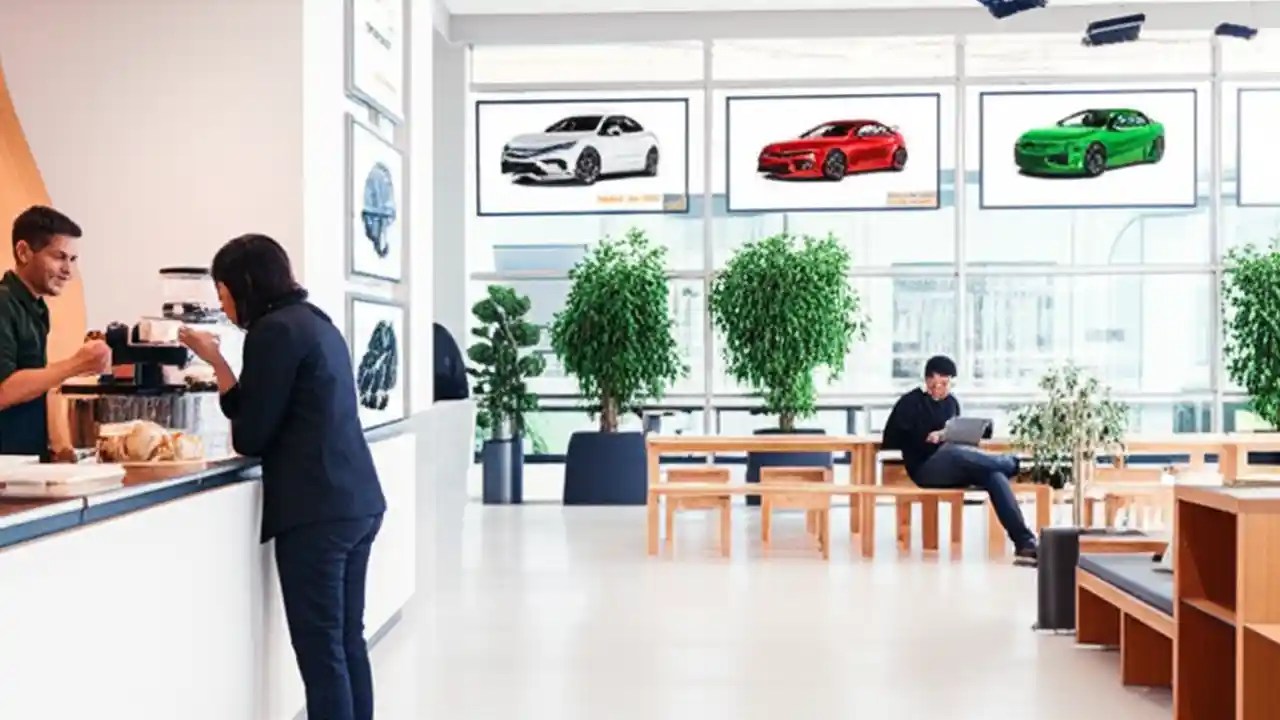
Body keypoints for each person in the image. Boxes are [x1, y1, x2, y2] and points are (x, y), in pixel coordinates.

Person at [178, 234, 386, 720]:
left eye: (223, 293)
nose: (223, 306)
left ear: (244, 285)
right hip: (356, 500)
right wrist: (221, 363)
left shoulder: (272, 332)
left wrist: (219, 363)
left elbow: (250, 434)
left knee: (321, 652)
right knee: (346, 641)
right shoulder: (315, 322)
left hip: (316, 513)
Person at [882, 355, 1038, 565]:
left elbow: (955, 432)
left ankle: (1025, 542)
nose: (944, 388)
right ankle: (1015, 464)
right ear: (929, 380)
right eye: (940, 383)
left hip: (954, 462)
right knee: (956, 453)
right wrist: (927, 436)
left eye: (948, 383)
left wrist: (951, 434)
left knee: (994, 476)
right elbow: (890, 438)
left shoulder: (952, 403)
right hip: (926, 467)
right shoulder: (910, 402)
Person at [0, 206, 111, 458]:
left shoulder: (37, 308)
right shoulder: (3, 304)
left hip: (27, 461)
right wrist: (76, 365)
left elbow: (42, 383)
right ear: (23, 252)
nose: (69, 271)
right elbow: (4, 390)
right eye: (59, 257)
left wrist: (60, 448)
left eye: (73, 260)